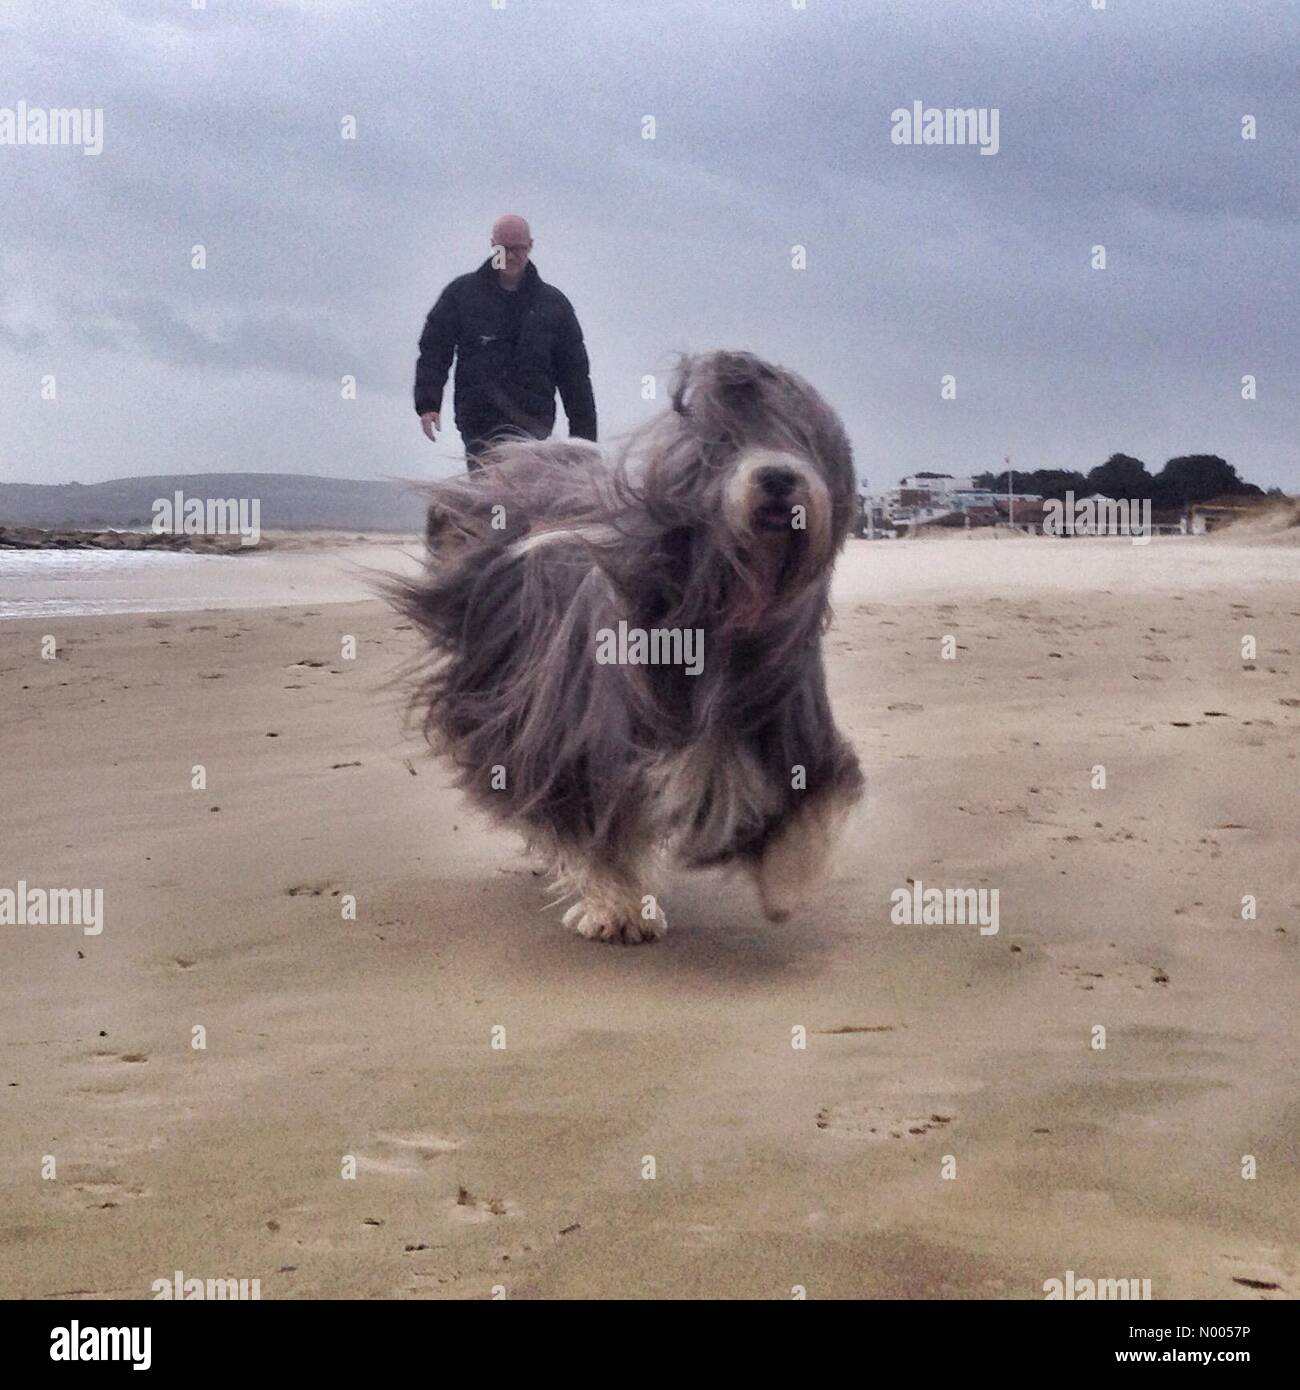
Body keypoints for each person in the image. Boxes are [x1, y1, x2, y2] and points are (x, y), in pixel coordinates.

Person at [413, 214, 597, 469]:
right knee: (488, 502)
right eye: (503, 248)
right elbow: (434, 349)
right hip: (479, 425)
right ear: (492, 245)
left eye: (518, 249)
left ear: (530, 246)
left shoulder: (554, 306)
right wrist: (428, 403)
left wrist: (584, 441)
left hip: (534, 428)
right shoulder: (462, 295)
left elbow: (575, 378)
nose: (510, 256)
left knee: (526, 502)